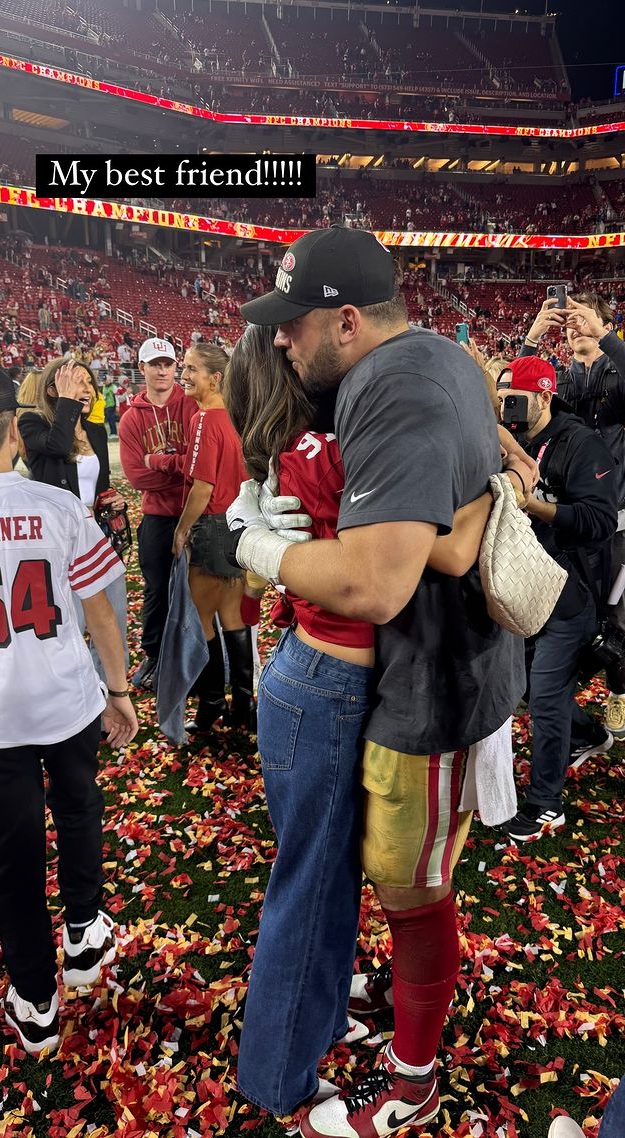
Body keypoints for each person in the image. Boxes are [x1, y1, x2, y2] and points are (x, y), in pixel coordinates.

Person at [228, 226, 526, 1138]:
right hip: (365, 684)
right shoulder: (439, 361)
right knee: (344, 887)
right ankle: (302, 1060)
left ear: (348, 321)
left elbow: (374, 578)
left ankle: (404, 1074)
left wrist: (259, 548)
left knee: (385, 886)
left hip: (396, 690)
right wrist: (477, 511)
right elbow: (429, 543)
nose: (284, 339)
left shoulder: (377, 397)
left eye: (295, 324)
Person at [0, 360, 138, 1056]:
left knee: (10, 859)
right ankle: (83, 931)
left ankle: (36, 1001)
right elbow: (102, 613)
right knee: (77, 808)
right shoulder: (56, 505)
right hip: (67, 698)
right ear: (16, 435)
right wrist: (120, 690)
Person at [498, 358, 617, 841]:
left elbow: (599, 522)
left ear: (545, 396)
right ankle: (588, 733)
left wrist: (535, 505)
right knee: (526, 685)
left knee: (545, 698)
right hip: (527, 584)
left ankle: (546, 804)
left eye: (515, 396)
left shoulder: (580, 443)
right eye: (501, 395)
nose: (505, 405)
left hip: (569, 591)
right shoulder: (513, 438)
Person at [521, 292, 625, 737]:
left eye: (584, 316)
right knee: (562, 612)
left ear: (605, 321)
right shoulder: (560, 379)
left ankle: (617, 696)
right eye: (568, 320)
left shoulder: (616, 371)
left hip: (614, 514)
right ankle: (562, 698)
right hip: (557, 517)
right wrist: (532, 339)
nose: (573, 323)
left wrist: (606, 335)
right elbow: (515, 396)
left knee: (615, 618)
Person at [146, 344, 254, 730]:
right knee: (232, 616)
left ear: (216, 378)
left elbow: (202, 488)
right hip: (240, 526)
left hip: (211, 526)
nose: (184, 375)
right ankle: (243, 708)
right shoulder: (239, 417)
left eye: (192, 369)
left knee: (202, 621)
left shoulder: (205, 420)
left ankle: (210, 706)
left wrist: (180, 529)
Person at [17, 358, 129, 682]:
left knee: (113, 619)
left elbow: (98, 484)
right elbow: (58, 445)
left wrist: (112, 499)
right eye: (76, 382)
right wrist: (65, 404)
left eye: (88, 382)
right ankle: (77, 694)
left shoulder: (95, 430)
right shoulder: (33, 425)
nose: (86, 389)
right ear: (54, 390)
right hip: (59, 545)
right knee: (71, 624)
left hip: (98, 539)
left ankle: (108, 691)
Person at [118, 338, 195, 690]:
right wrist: (183, 469)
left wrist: (164, 464)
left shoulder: (193, 405)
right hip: (158, 517)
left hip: (198, 512)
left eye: (168, 363)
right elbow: (136, 476)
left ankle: (199, 655)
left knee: (202, 588)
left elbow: (201, 464)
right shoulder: (132, 418)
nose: (163, 370)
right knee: (156, 589)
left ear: (175, 366)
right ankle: (154, 653)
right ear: (142, 369)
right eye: (155, 364)